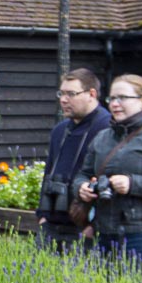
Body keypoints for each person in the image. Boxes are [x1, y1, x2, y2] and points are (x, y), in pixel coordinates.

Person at [76, 74, 142, 267]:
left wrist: (133, 184)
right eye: (112, 98)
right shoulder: (101, 138)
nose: (115, 104)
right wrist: (82, 187)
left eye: (123, 98)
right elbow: (82, 174)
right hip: (102, 233)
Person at [37, 68, 111, 249]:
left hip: (86, 228)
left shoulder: (108, 129)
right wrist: (42, 216)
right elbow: (49, 174)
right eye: (61, 93)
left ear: (91, 94)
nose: (63, 100)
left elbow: (110, 179)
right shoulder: (60, 131)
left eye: (71, 94)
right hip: (50, 226)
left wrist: (93, 227)